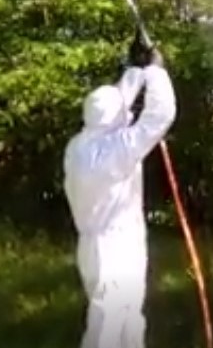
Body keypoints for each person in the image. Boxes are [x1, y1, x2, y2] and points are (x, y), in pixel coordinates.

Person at [63, 33, 176, 348]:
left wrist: (135, 69)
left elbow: (114, 105)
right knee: (108, 329)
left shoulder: (80, 145)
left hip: (100, 246)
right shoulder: (116, 149)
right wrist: (156, 71)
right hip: (114, 249)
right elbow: (160, 117)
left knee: (124, 321)